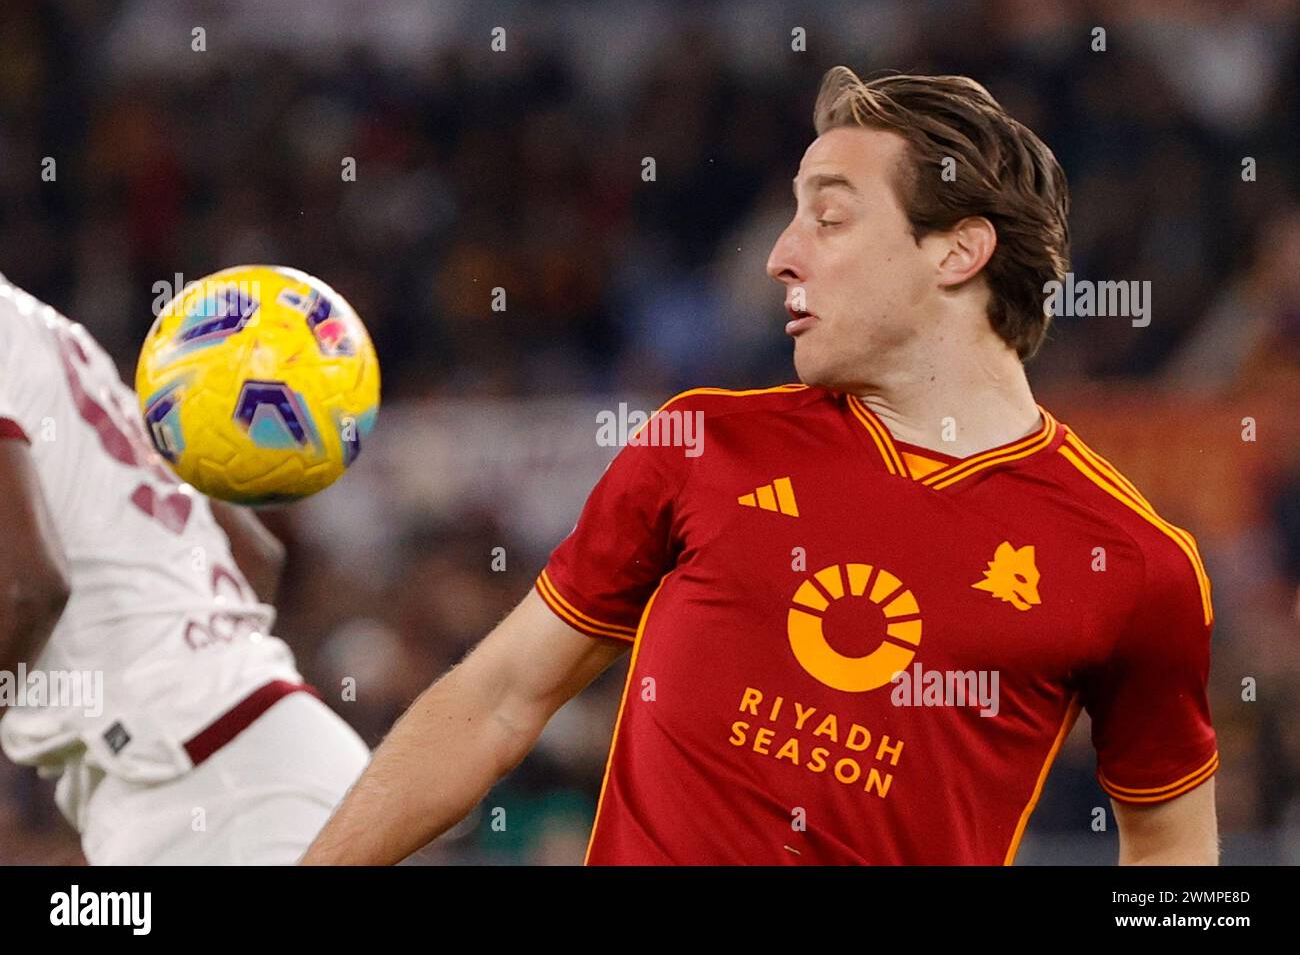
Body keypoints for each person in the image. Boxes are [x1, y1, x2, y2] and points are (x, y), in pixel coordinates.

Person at [303, 67, 1218, 865]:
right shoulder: (700, 443)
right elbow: (498, 701)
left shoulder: (1136, 564)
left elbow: (1175, 853)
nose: (782, 257)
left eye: (828, 217)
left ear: (958, 251)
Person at [0, 274, 370, 864]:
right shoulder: (42, 328)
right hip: (246, 759)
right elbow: (253, 554)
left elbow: (27, 587)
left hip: (207, 780)